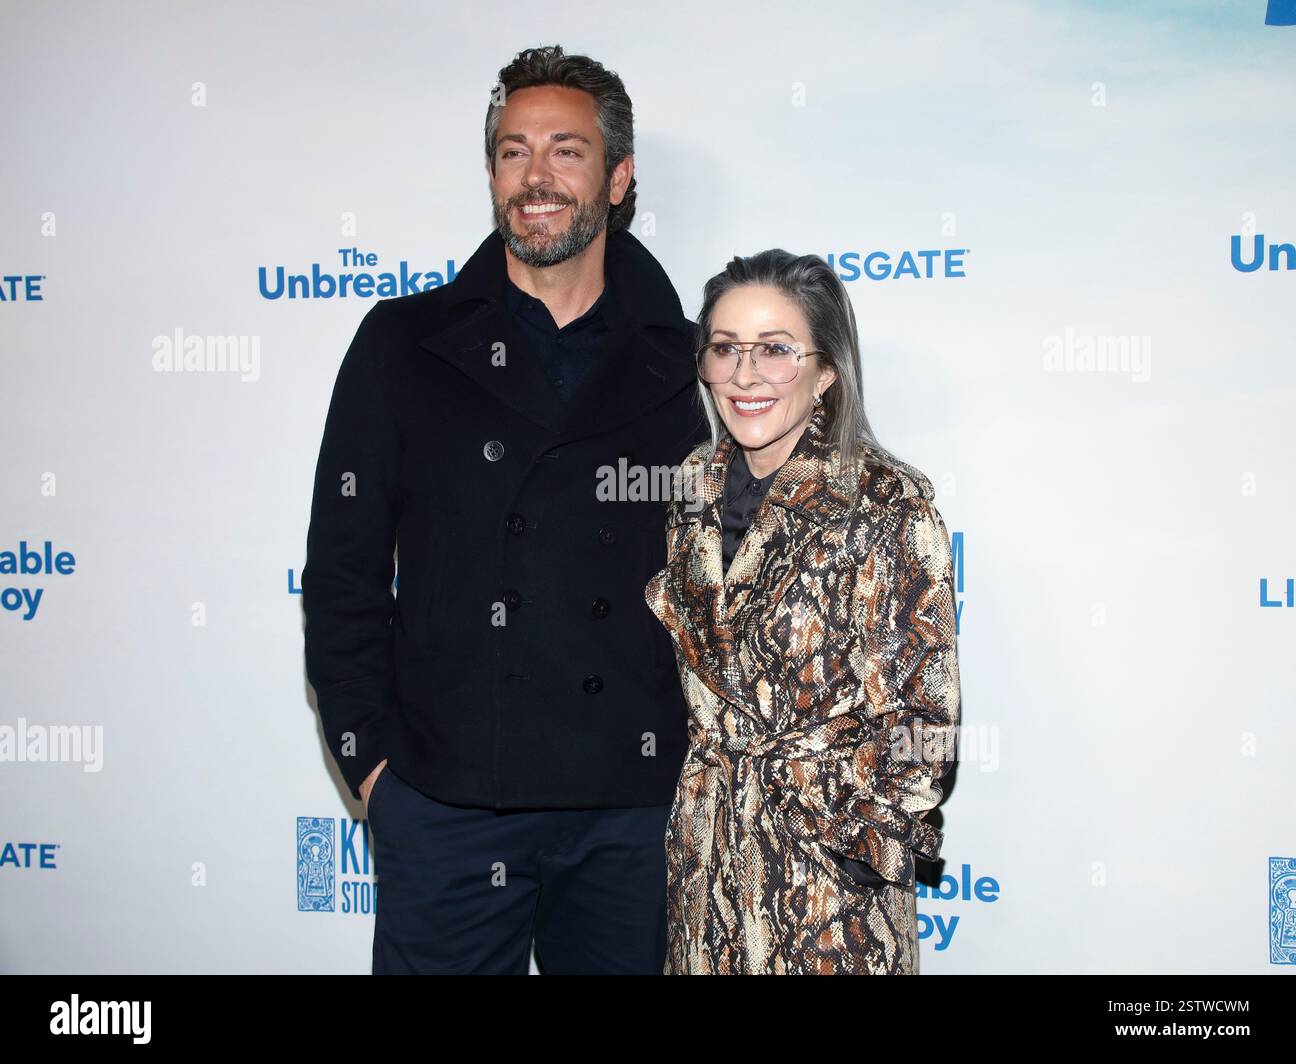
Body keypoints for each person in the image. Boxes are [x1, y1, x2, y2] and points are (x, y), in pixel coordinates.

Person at [302, 44, 707, 974]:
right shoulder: (404, 343)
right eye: (513, 151)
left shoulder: (691, 361)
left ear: (619, 176)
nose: (536, 177)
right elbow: (343, 570)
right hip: (448, 802)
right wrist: (375, 772)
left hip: (632, 809)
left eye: (566, 150)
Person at [645, 249, 962, 974]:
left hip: (826, 888)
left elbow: (923, 718)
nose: (744, 375)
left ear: (827, 371)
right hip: (708, 861)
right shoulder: (691, 485)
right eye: (724, 349)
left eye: (776, 351)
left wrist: (856, 851)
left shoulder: (885, 503)